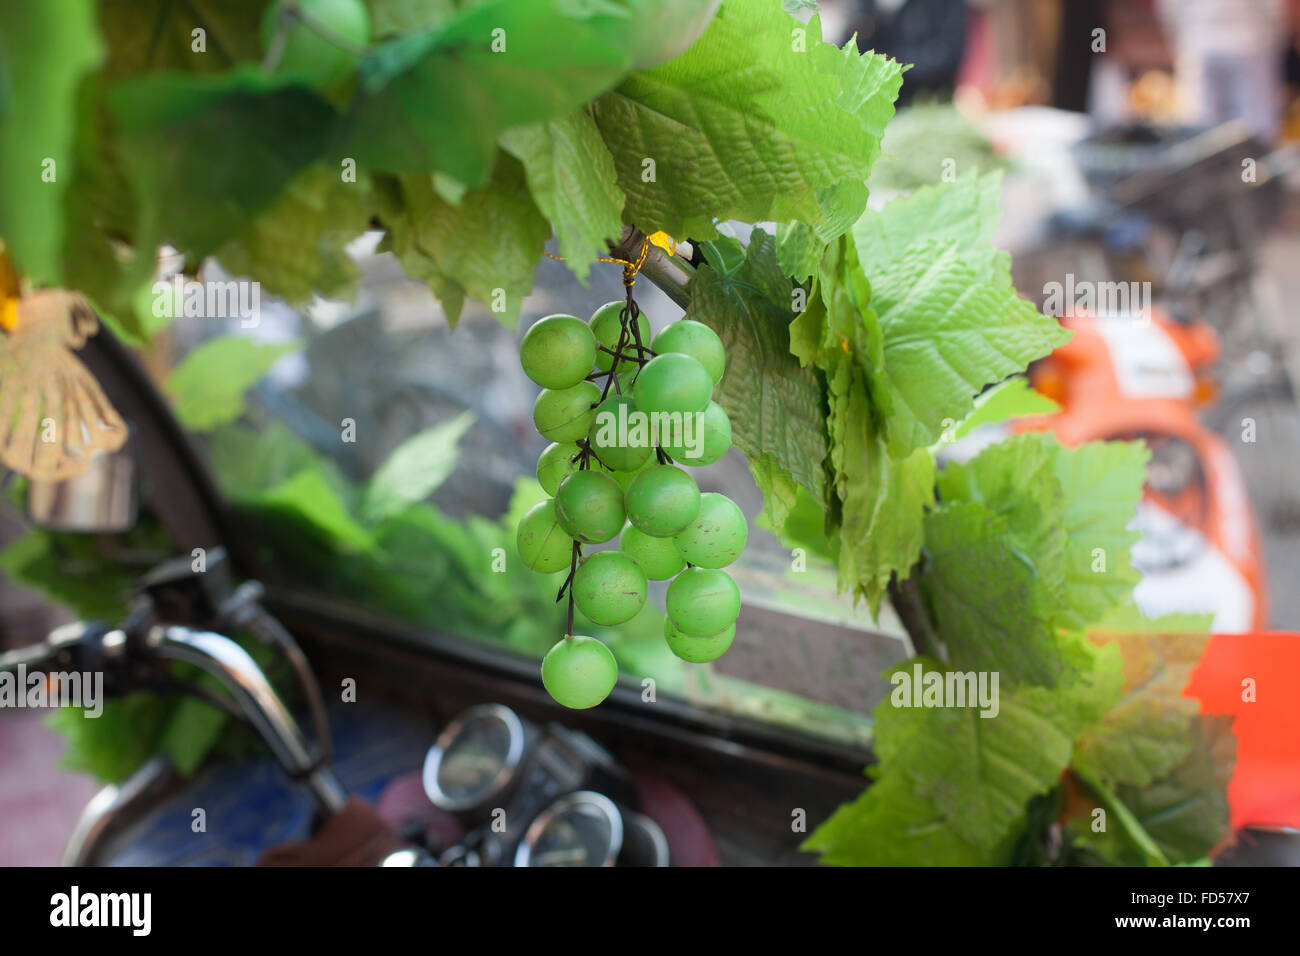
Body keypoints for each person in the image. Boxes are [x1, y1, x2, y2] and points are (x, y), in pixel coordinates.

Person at [1156, 0, 1289, 140]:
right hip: (1242, 40)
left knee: (1206, 119)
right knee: (1251, 118)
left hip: (1208, 41)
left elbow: (1170, 11)